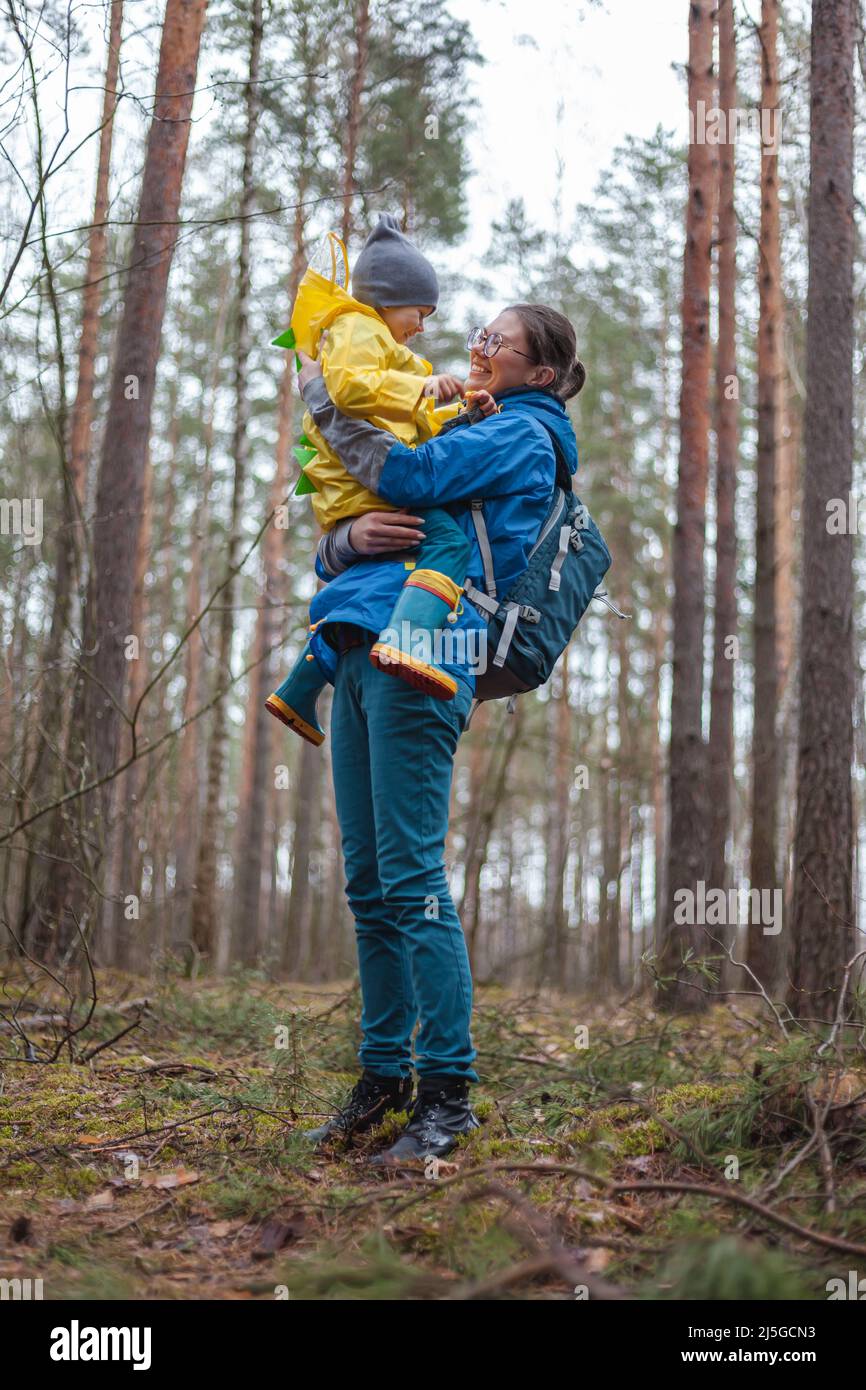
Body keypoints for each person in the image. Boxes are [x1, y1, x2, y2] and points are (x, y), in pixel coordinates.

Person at [296, 304, 587, 1165]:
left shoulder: (523, 434)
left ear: (540, 372)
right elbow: (344, 536)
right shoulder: (469, 411)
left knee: (412, 875)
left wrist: (325, 401)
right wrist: (344, 537)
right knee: (369, 882)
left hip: (428, 654)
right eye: (479, 336)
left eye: (499, 342)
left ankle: (447, 1096)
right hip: (354, 642)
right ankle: (382, 1080)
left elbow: (410, 477)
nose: (477, 348)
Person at [266, 214, 495, 747]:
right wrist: (422, 390)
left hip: (363, 485)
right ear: (390, 298)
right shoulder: (356, 329)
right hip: (361, 482)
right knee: (447, 542)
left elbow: (414, 419)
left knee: (360, 596)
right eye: (419, 312)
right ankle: (408, 641)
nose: (421, 325)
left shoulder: (394, 352)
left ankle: (299, 689)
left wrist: (462, 410)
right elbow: (348, 388)